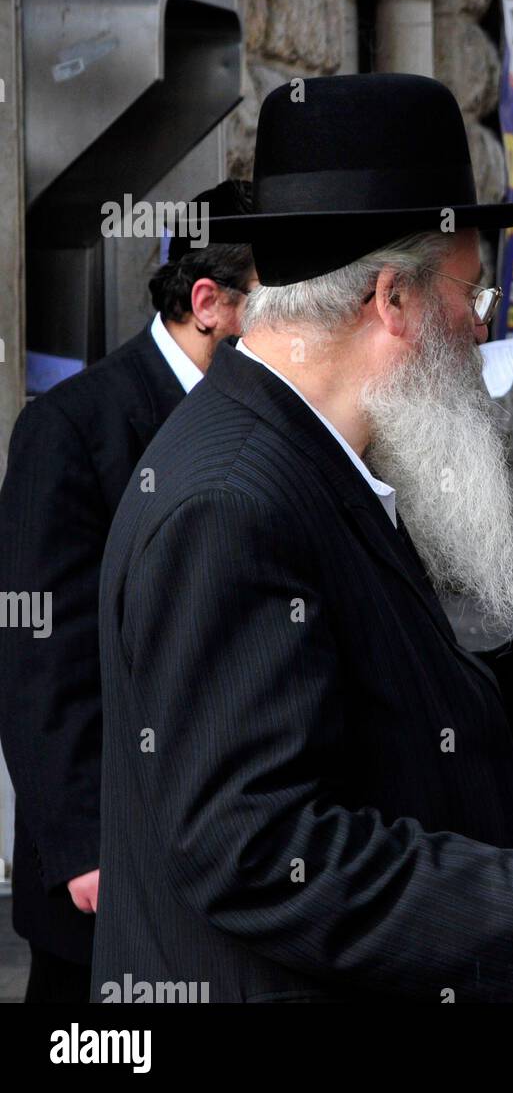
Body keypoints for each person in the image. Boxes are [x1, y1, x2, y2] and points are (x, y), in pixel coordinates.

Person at [92, 73, 513, 1003]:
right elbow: (259, 847)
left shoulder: (302, 455)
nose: (480, 325)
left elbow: (379, 731)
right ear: (391, 298)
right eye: (470, 289)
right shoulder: (231, 504)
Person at [0, 182, 255, 1003]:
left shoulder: (266, 416)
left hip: (229, 862)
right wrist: (82, 845)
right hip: (106, 878)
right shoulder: (75, 426)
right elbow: (38, 651)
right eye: (279, 301)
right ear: (208, 303)